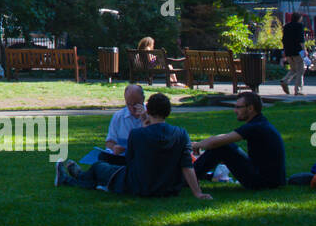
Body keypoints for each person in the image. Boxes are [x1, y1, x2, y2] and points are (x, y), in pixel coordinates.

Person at [55, 93, 212, 199]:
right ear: (168, 112)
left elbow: (130, 162)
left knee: (98, 167)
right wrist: (197, 193)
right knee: (102, 174)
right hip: (168, 186)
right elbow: (187, 166)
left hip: (139, 185)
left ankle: (73, 178)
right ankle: (77, 177)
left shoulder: (137, 134)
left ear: (148, 110)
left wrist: (144, 128)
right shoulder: (181, 134)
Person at [191, 90, 286, 189]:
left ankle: (187, 178)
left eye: (238, 107)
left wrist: (197, 145)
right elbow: (224, 137)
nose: (235, 111)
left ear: (250, 108)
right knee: (223, 145)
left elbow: (218, 142)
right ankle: (191, 175)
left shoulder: (254, 127)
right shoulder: (260, 123)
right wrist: (200, 143)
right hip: (274, 180)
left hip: (263, 182)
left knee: (222, 146)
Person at [102, 84, 146, 163]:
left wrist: (144, 118)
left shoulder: (151, 115)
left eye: (136, 104)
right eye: (129, 104)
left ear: (143, 99)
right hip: (123, 159)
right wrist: (114, 148)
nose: (132, 108)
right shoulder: (119, 116)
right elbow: (109, 142)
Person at [280, 14, 306, 95]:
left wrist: (284, 50)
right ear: (299, 18)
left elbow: (283, 39)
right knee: (300, 70)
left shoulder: (286, 26)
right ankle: (298, 90)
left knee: (293, 69)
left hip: (288, 51)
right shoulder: (299, 26)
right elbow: (301, 40)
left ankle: (285, 80)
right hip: (298, 51)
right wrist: (304, 50)